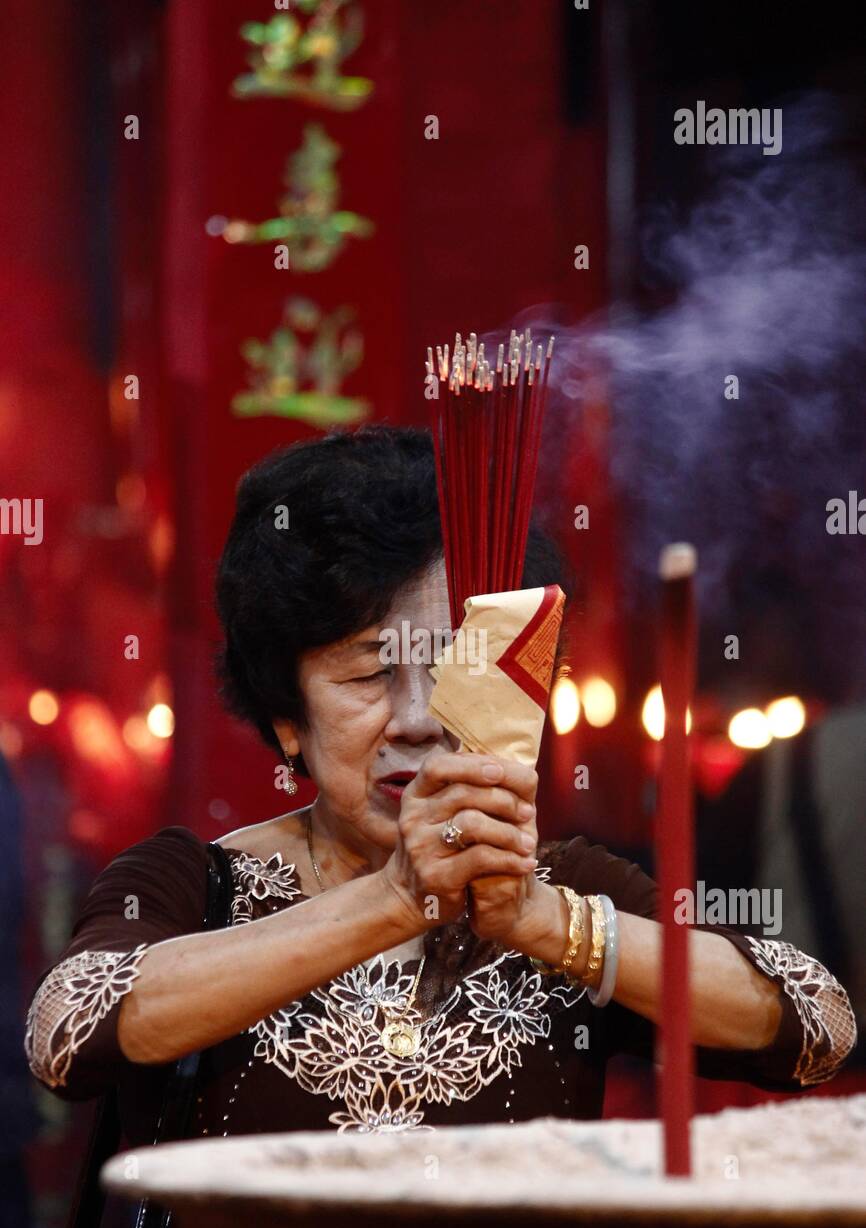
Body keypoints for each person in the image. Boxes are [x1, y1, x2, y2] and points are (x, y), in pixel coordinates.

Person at [24, 426, 857, 1144]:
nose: (421, 719)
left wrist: (545, 922)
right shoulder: (192, 883)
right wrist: (394, 899)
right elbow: (67, 1031)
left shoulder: (560, 887)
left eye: (460, 669)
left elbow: (816, 1024)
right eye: (368, 675)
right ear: (287, 716)